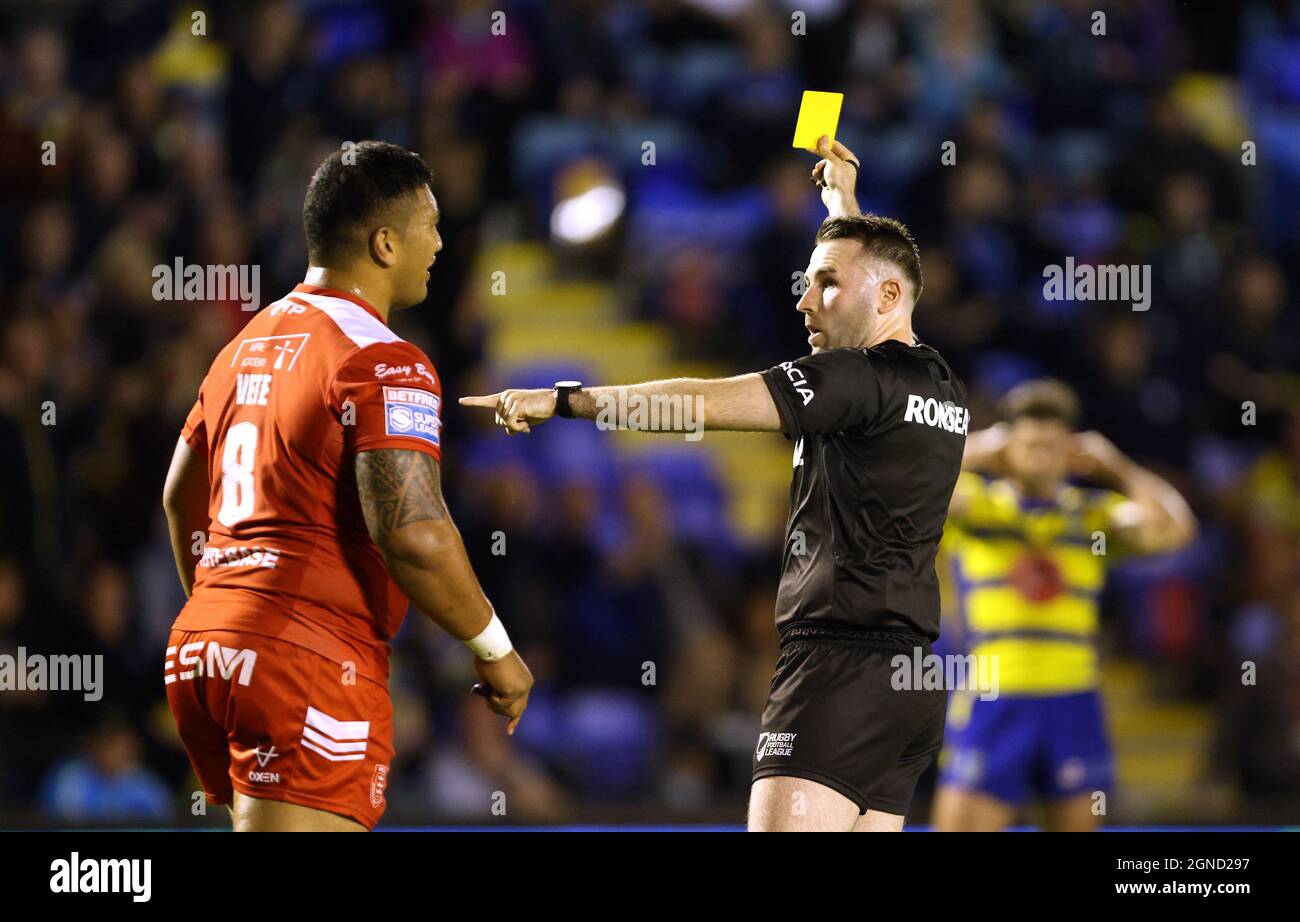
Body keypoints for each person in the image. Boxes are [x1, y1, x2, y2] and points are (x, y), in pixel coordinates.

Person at [461, 138, 967, 831]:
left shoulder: (851, 379)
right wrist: (843, 205)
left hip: (833, 669)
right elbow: (879, 285)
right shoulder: (940, 383)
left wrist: (567, 401)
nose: (804, 302)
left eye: (824, 285)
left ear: (883, 295)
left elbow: (698, 405)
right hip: (908, 680)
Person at [161, 141, 533, 832]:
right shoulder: (385, 360)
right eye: (431, 224)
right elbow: (414, 535)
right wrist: (496, 650)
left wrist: (229, 605)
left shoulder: (243, 344)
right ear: (385, 243)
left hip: (207, 645)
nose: (442, 243)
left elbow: (180, 493)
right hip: (308, 654)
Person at [933, 378, 1197, 831]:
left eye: (1052, 446)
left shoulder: (1094, 516)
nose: (1040, 455)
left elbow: (1178, 529)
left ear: (1070, 452)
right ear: (1007, 449)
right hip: (994, 699)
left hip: (1074, 701)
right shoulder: (975, 507)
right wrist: (977, 446)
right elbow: (905, 481)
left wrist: (1116, 465)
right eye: (1029, 443)